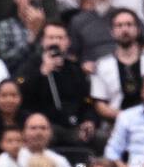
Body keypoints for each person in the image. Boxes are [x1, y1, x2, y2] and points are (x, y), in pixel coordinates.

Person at [90, 7, 144, 123]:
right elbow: (100, 105)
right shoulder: (102, 65)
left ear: (137, 30)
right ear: (112, 32)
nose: (125, 29)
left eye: (129, 24)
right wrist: (126, 117)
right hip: (117, 122)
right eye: (119, 25)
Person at [16, 21, 97, 150]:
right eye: (51, 38)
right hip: (44, 125)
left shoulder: (75, 69)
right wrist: (42, 73)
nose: (55, 42)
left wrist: (89, 120)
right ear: (42, 41)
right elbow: (21, 93)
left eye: (60, 38)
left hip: (72, 124)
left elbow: (87, 101)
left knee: (97, 138)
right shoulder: (30, 65)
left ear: (68, 42)